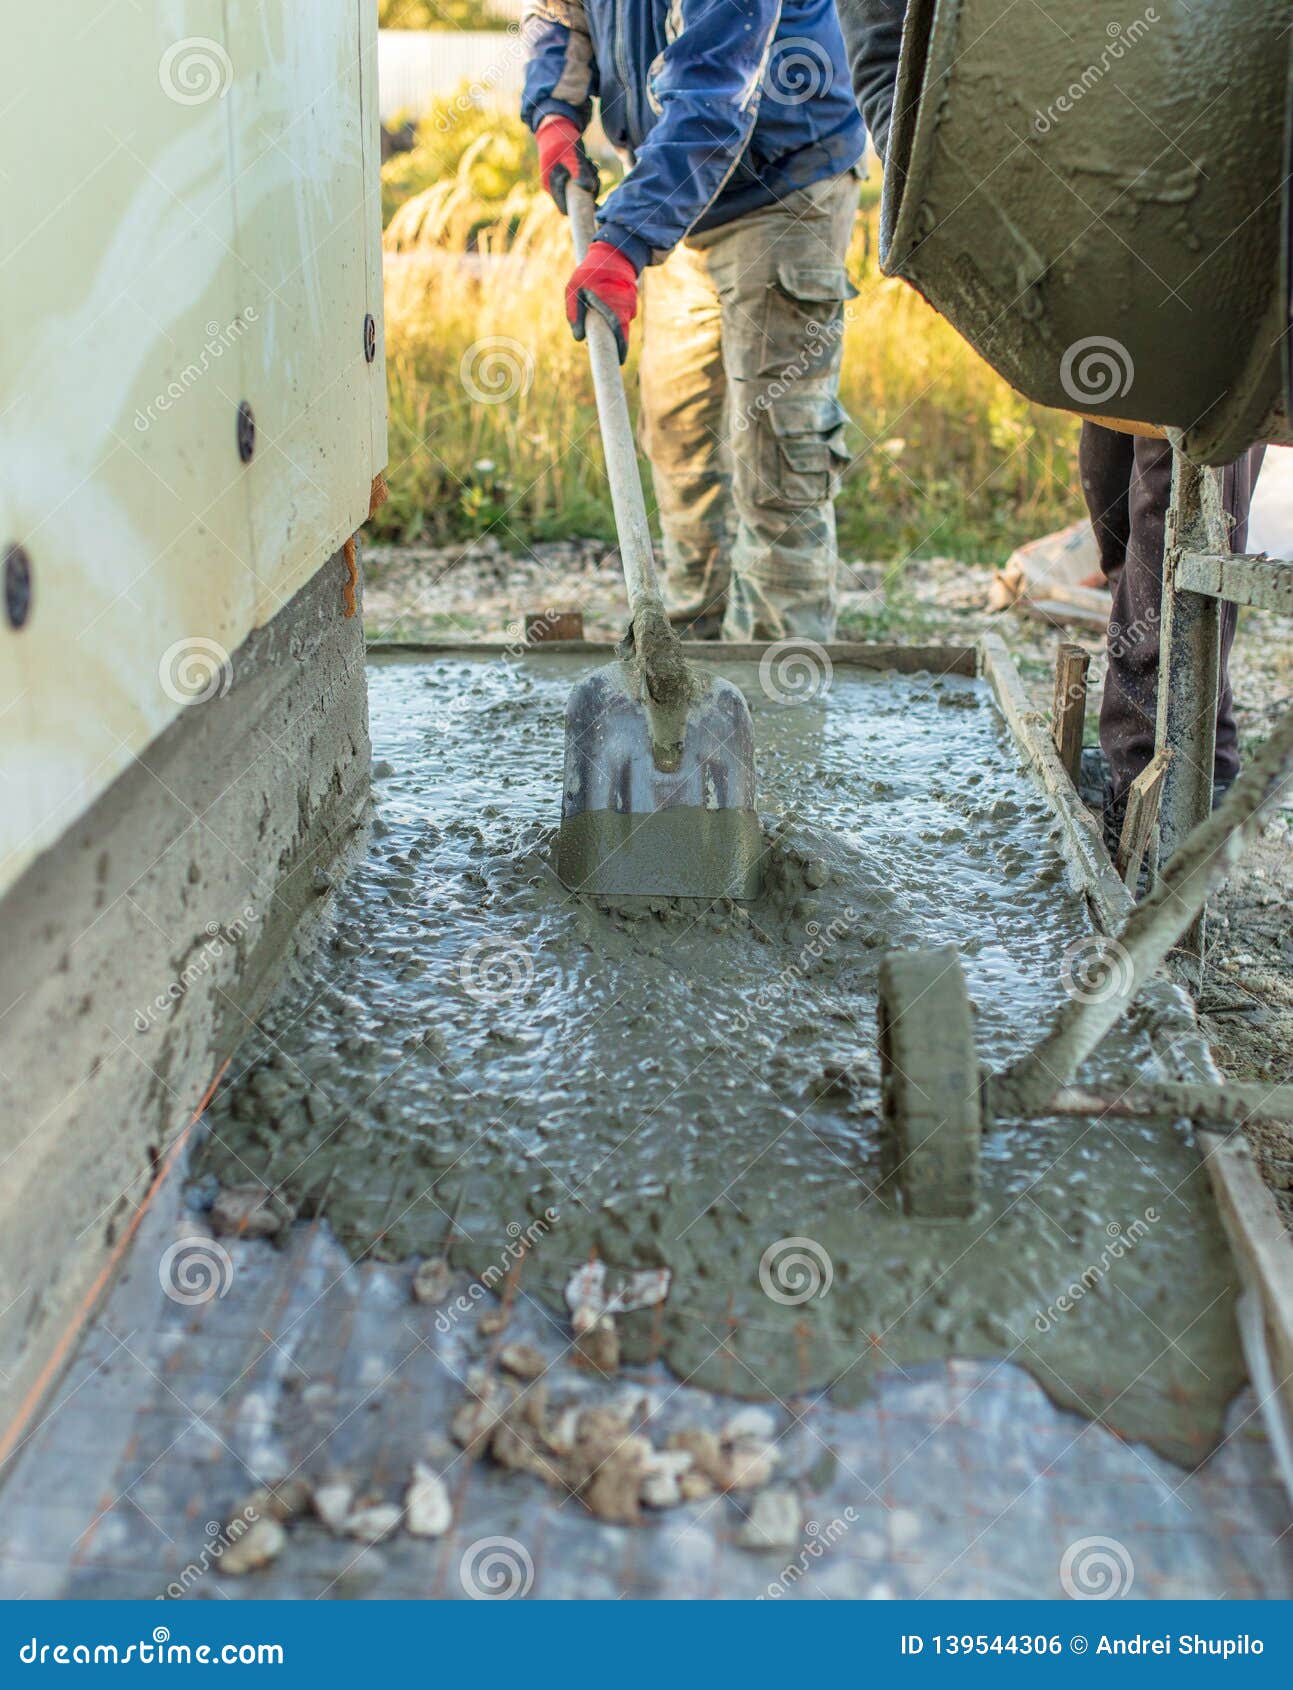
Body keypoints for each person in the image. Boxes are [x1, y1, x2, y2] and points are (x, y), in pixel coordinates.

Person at [838, 0, 1264, 846]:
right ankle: (1180, 718)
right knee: (1109, 479)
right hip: (1091, 191)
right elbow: (887, 60)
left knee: (1174, 480)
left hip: (1213, 187)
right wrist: (927, 211)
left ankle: (1163, 778)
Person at [522, 0, 867, 641]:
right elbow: (563, 14)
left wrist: (624, 241)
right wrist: (553, 108)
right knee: (679, 434)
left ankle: (774, 684)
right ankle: (687, 648)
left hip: (781, 186)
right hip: (680, 194)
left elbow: (714, 95)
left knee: (776, 452)